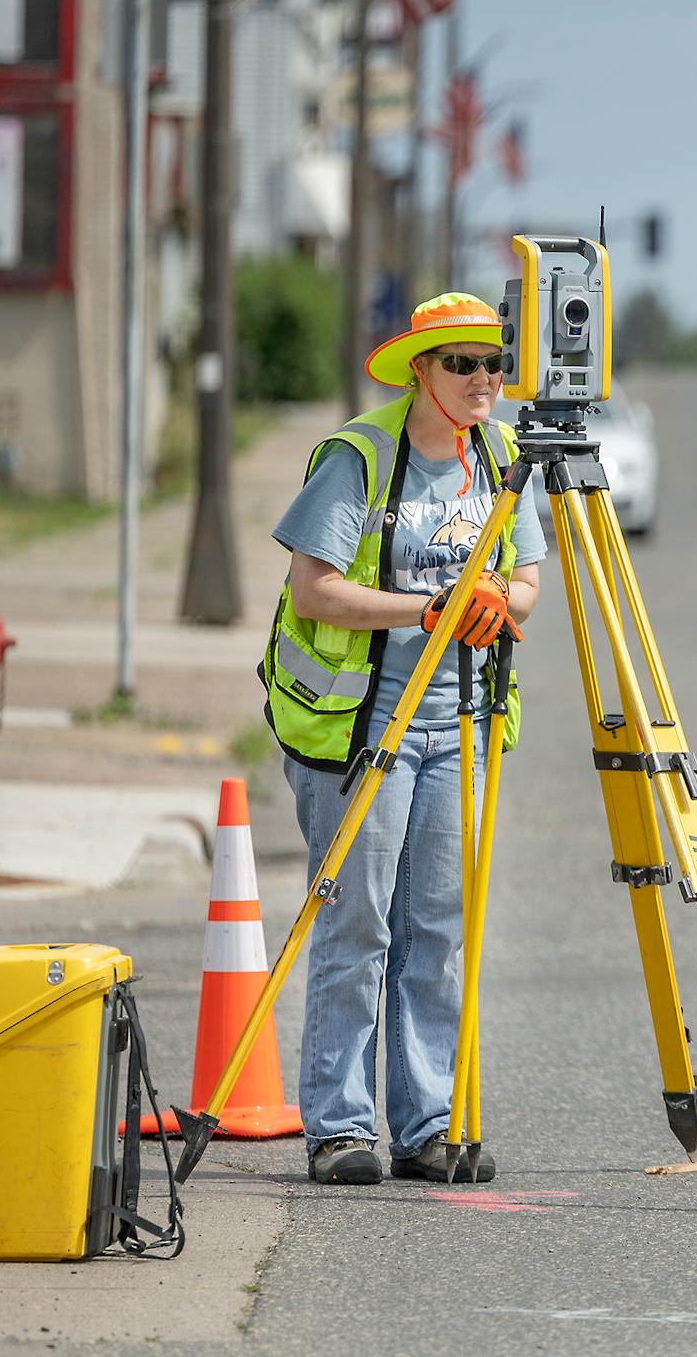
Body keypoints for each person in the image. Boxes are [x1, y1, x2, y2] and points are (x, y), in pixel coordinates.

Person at [259, 292, 545, 1185]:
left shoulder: (500, 456)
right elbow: (314, 590)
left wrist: (498, 603)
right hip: (365, 725)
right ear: (419, 370)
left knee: (439, 929)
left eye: (493, 363)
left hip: (460, 724)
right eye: (461, 363)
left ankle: (428, 1125)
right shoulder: (362, 457)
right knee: (359, 924)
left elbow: (528, 581)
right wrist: (430, 608)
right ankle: (341, 1127)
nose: (482, 380)